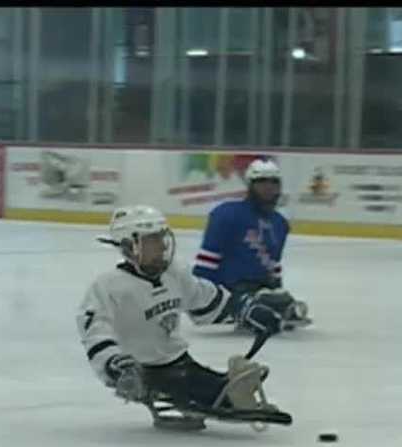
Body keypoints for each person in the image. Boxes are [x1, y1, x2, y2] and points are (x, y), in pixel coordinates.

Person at [77, 205, 291, 430]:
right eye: (152, 240)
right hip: (143, 371)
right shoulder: (109, 287)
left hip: (180, 361)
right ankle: (231, 394)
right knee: (218, 393)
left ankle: (230, 391)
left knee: (215, 384)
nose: (162, 246)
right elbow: (95, 331)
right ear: (129, 246)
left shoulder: (173, 273)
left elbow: (205, 298)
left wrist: (246, 309)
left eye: (162, 238)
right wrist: (116, 366)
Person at [191, 158, 310, 329]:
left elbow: (273, 265)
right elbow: (207, 261)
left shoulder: (280, 223)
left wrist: (276, 290)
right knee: (264, 312)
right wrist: (202, 299)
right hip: (227, 290)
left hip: (257, 289)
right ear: (250, 185)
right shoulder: (226, 214)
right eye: (261, 182)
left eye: (273, 182)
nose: (268, 187)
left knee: (282, 305)